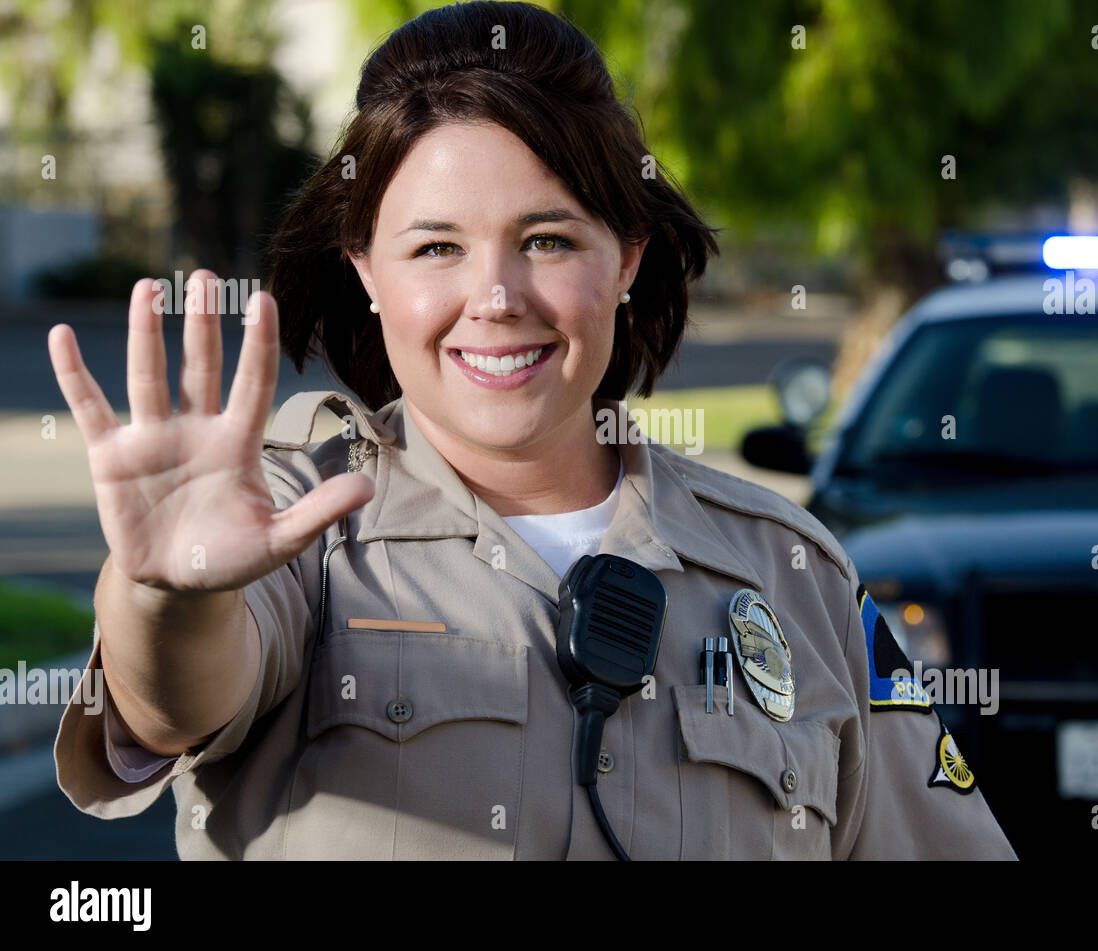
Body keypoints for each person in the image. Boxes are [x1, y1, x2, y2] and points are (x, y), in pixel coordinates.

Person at [49, 0, 1015, 860]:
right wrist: (163, 594)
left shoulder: (792, 572)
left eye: (548, 240)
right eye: (436, 247)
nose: (498, 298)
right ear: (367, 273)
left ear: (628, 257)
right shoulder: (299, 523)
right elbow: (174, 700)